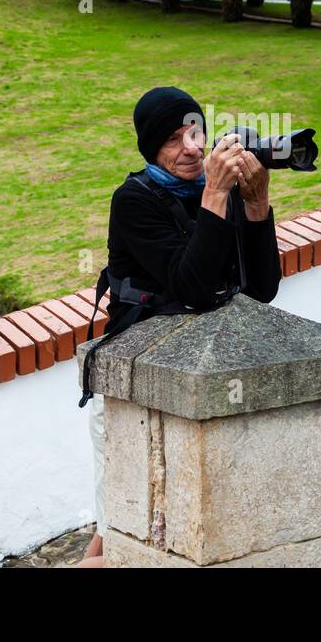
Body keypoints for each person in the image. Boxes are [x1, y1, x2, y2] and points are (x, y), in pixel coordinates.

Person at [76, 86, 282, 567]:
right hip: (137, 389)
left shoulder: (219, 193)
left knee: (120, 533)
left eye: (196, 132)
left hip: (201, 378)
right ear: (151, 148)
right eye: (174, 139)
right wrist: (214, 193)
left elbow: (263, 288)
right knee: (124, 533)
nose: (191, 148)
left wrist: (256, 202)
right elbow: (190, 288)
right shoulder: (134, 201)